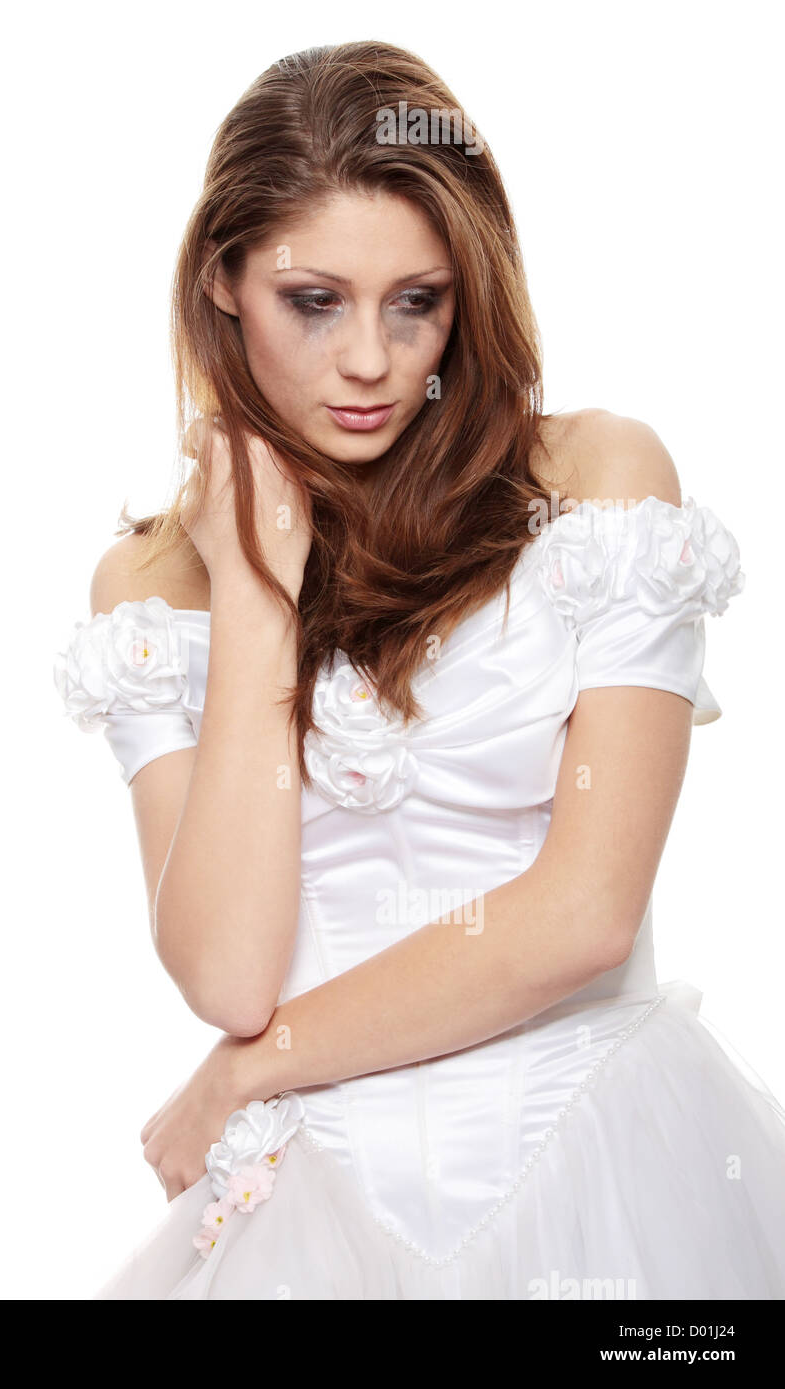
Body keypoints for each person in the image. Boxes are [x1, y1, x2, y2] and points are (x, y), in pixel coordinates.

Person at [52, 39, 785, 1298]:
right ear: (222, 282)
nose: (371, 362)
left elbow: (583, 915)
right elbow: (227, 971)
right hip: (315, 1211)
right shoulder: (155, 590)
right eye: (313, 300)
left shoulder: (598, 484)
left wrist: (253, 1069)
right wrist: (258, 592)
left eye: (416, 301)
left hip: (599, 1165)